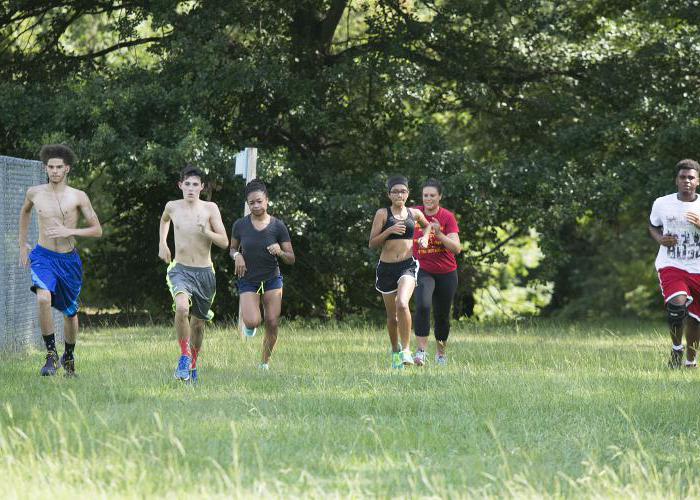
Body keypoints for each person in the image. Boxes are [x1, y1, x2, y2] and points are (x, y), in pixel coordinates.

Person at [18, 144, 103, 377]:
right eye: (50, 167)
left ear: (67, 169)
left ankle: (69, 356)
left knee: (70, 313)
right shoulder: (34, 193)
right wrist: (22, 243)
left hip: (68, 261)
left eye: (58, 167)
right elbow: (25, 212)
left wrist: (69, 232)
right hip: (43, 256)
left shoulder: (78, 196)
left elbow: (97, 230)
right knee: (43, 298)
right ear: (45, 169)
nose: (54, 171)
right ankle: (51, 355)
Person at [159, 165, 228, 383]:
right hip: (180, 270)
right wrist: (162, 243)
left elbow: (225, 242)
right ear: (180, 185)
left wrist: (206, 231)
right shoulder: (172, 206)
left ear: (202, 187)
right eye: (186, 184)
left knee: (198, 324)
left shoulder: (210, 209)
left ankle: (193, 365)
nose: (190, 188)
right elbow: (164, 221)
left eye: (195, 184)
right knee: (181, 308)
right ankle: (184, 356)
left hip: (205, 273)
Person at [230, 179, 295, 370]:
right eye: (252, 203)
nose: (256, 206)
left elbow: (291, 258)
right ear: (247, 204)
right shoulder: (240, 225)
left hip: (272, 279)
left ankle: (264, 362)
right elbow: (232, 248)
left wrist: (280, 252)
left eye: (259, 201)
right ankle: (251, 325)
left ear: (267, 200)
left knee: (272, 322)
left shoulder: (278, 226)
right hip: (248, 279)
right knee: (252, 321)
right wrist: (237, 255)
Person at [369, 175, 431, 369]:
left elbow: (428, 225)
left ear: (408, 193)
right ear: (389, 194)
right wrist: (390, 230)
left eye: (403, 191)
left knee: (402, 304)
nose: (399, 194)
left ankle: (406, 350)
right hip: (386, 268)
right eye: (395, 191)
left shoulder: (414, 213)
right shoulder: (382, 214)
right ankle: (395, 351)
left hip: (407, 265)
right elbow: (372, 244)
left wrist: (426, 238)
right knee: (392, 317)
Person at [649, 158, 700, 368]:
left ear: (697, 181)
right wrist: (660, 239)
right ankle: (676, 349)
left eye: (691, 177)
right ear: (676, 180)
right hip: (672, 264)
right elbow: (653, 226)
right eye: (683, 177)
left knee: (696, 320)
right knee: (676, 307)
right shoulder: (662, 203)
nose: (686, 181)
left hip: (698, 268)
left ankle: (690, 361)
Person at [412, 179, 461, 366]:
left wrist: (439, 235)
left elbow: (457, 248)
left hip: (447, 273)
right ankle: (421, 352)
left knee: (442, 315)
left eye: (432, 195)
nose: (428, 199)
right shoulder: (415, 214)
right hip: (423, 269)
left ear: (439, 196)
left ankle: (440, 354)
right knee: (423, 305)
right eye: (425, 195)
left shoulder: (447, 217)